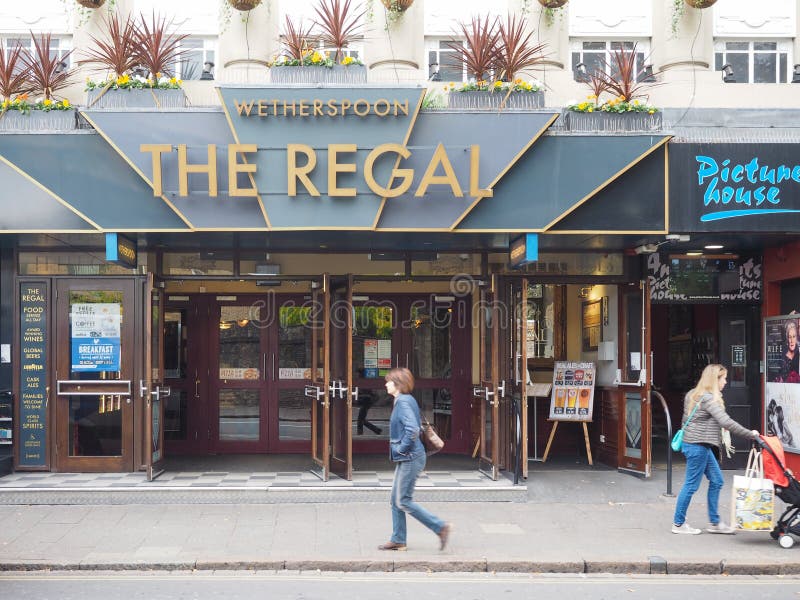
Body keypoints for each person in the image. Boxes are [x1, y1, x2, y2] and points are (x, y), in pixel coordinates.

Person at [672, 364, 760, 535]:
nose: (726, 382)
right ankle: (678, 523)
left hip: (697, 445)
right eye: (723, 378)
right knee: (690, 485)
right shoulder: (708, 399)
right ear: (715, 380)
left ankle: (714, 522)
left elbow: (686, 420)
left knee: (717, 480)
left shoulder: (692, 394)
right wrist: (750, 434)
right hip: (697, 447)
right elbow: (726, 422)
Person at [378, 367, 451, 551]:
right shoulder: (406, 399)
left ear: (397, 384)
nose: (386, 384)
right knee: (395, 498)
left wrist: (401, 449)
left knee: (403, 500)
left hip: (411, 457)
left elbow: (412, 429)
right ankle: (398, 539)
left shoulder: (402, 402)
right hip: (410, 457)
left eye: (389, 381)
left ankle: (440, 527)